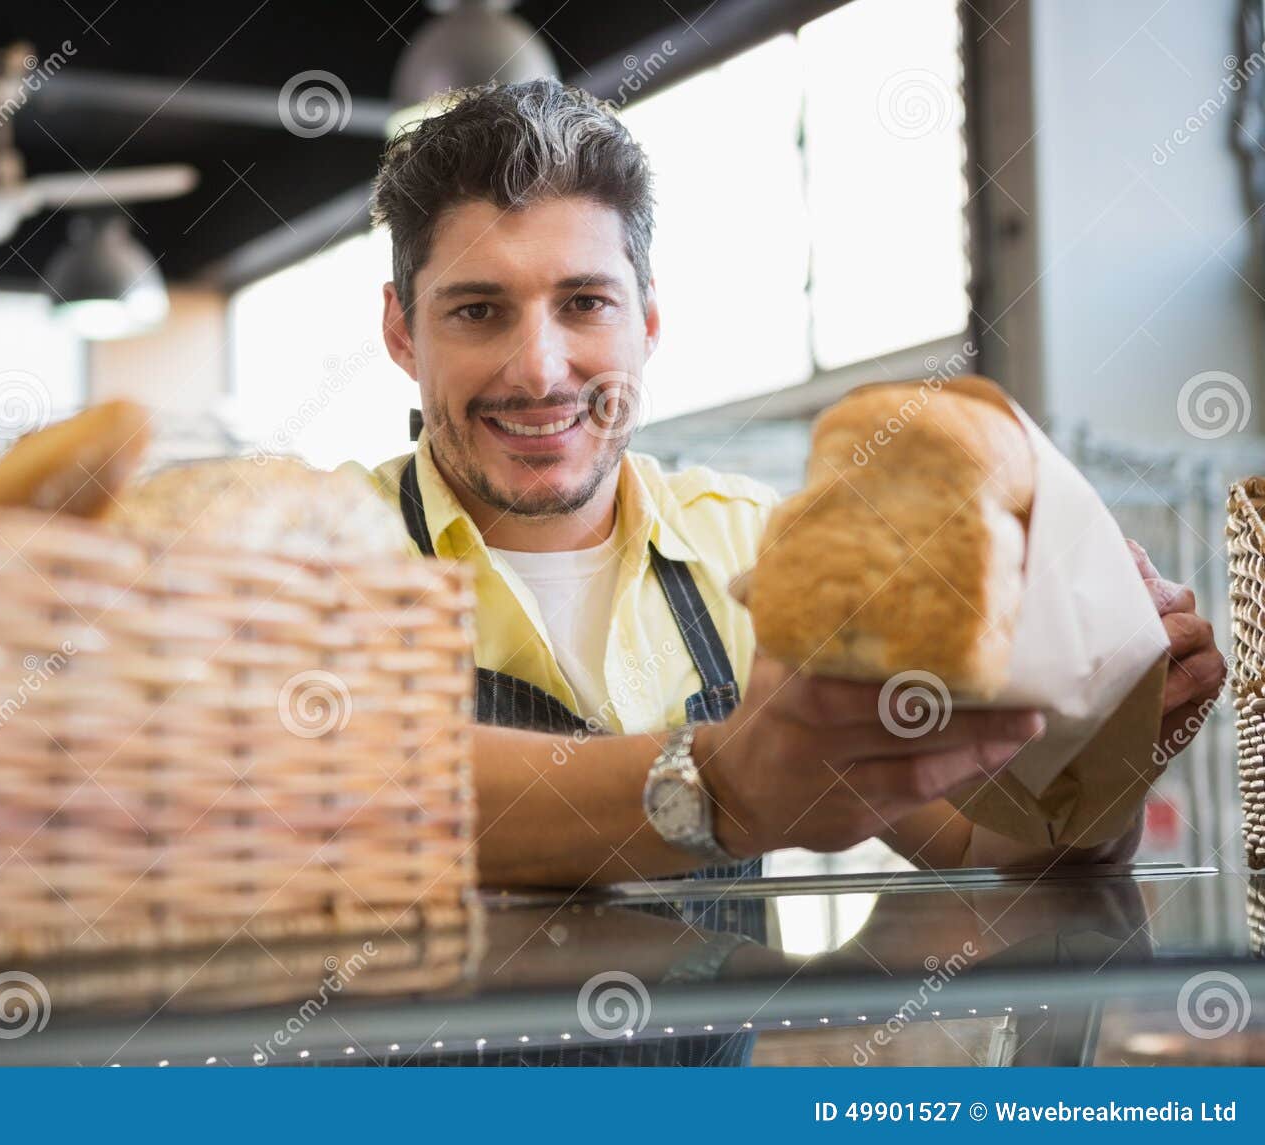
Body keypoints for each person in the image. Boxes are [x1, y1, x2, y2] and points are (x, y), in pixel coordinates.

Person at [348, 78, 1227, 891]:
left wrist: (1099, 754)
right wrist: (724, 784)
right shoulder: (316, 556)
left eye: (585, 303)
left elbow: (972, 850)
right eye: (477, 311)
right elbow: (331, 804)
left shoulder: (758, 548)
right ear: (400, 329)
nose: (539, 371)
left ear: (648, 320)